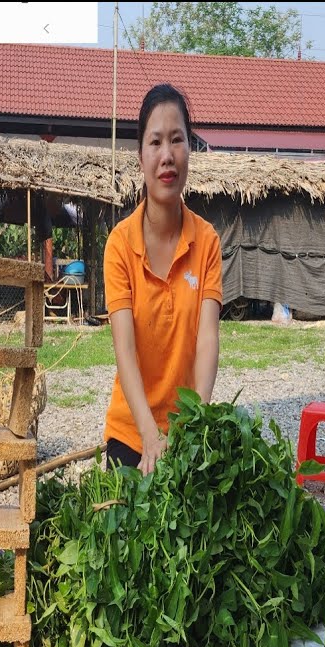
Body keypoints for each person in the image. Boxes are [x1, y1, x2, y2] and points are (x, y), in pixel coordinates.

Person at [101, 83, 222, 474]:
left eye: (177, 139)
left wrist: (193, 425)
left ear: (190, 149)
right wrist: (149, 437)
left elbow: (207, 341)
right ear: (141, 156)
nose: (167, 155)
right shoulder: (120, 245)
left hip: (187, 428)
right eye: (155, 142)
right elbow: (125, 351)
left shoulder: (207, 241)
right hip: (131, 431)